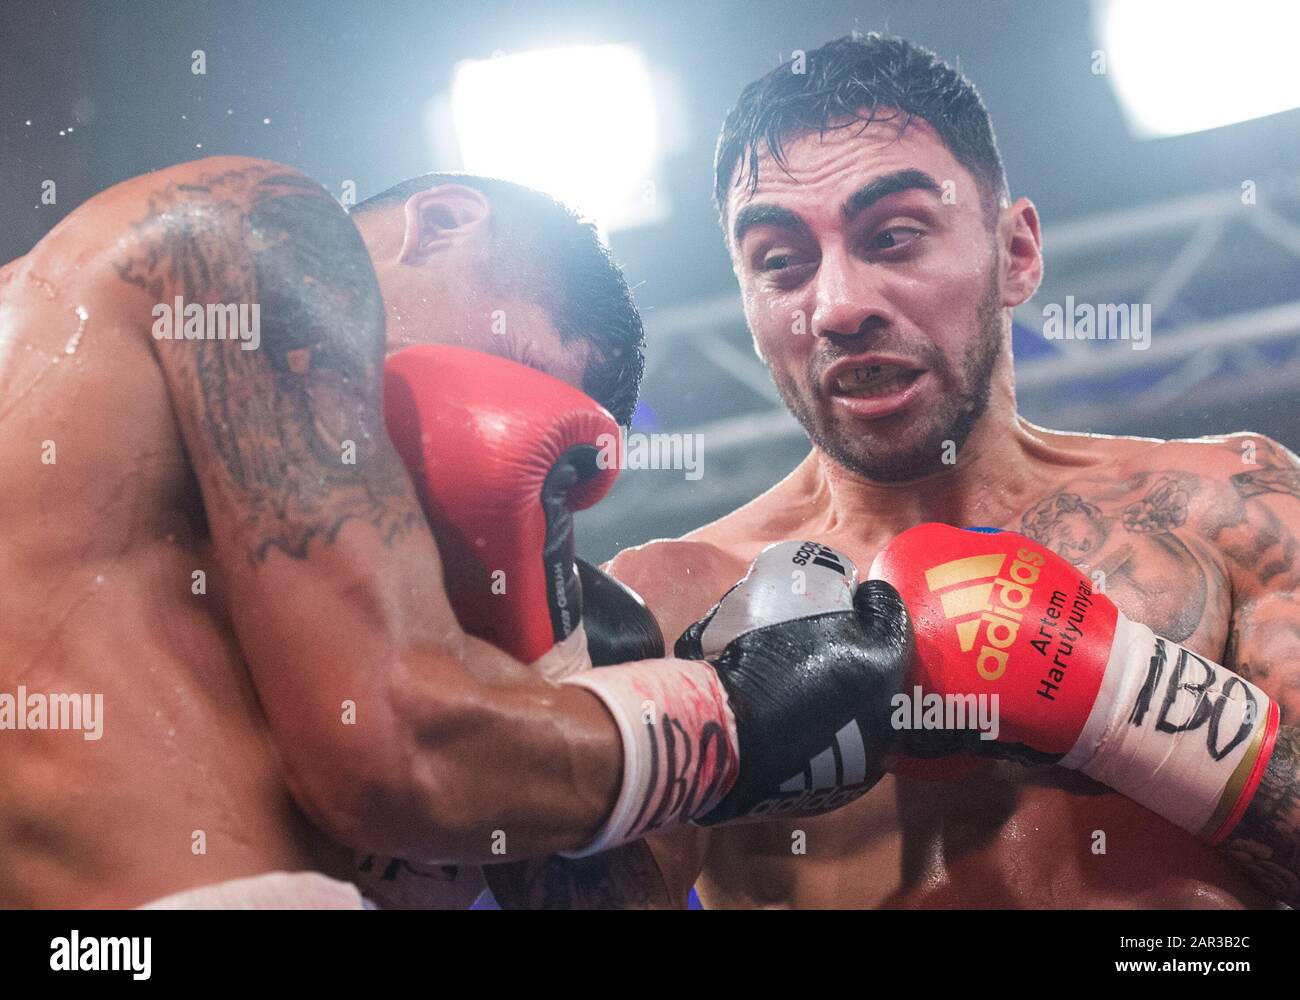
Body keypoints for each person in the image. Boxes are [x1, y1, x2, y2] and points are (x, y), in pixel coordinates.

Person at [0, 154, 909, 908]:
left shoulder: (291, 578)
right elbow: (400, 754)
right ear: (438, 224)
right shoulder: (257, 228)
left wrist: (637, 720)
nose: (494, 432)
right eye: (507, 372)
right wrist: (733, 721)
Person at [587, 33, 1300, 909]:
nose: (838, 306)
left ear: (1019, 254)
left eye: (892, 237)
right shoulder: (674, 601)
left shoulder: (1228, 505)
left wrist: (1123, 701)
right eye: (781, 263)